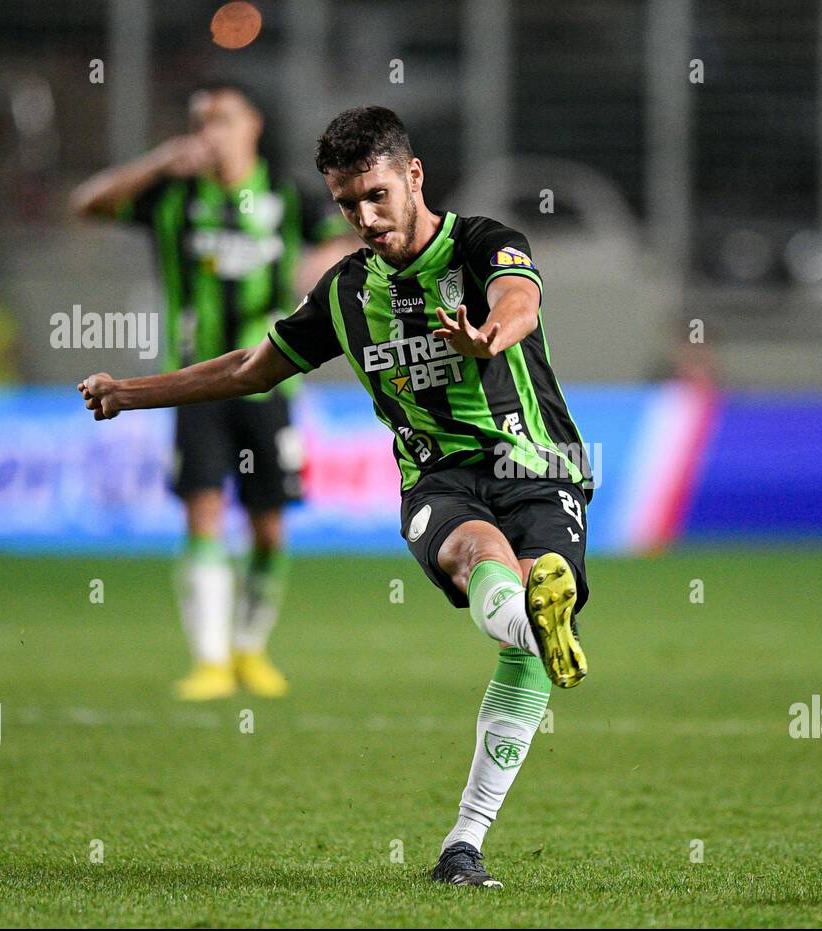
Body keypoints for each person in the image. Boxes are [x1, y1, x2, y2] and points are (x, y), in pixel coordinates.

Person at [78, 106, 592, 889]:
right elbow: (250, 368)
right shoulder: (346, 292)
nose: (364, 217)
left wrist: (491, 335)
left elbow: (521, 298)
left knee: (521, 637)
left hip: (535, 464)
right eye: (348, 203)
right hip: (437, 477)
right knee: (479, 557)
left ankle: (464, 840)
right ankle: (532, 616)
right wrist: (131, 391)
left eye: (378, 195)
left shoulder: (485, 242)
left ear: (414, 175)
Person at [70, 82, 359, 701]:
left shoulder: (288, 199)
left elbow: (361, 233)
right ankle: (208, 660)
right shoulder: (173, 198)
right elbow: (86, 204)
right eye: (200, 120)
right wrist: (156, 161)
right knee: (202, 512)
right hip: (194, 386)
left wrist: (332, 254)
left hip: (268, 383)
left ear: (253, 124)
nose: (210, 131)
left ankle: (249, 649)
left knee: (268, 530)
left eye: (222, 118)